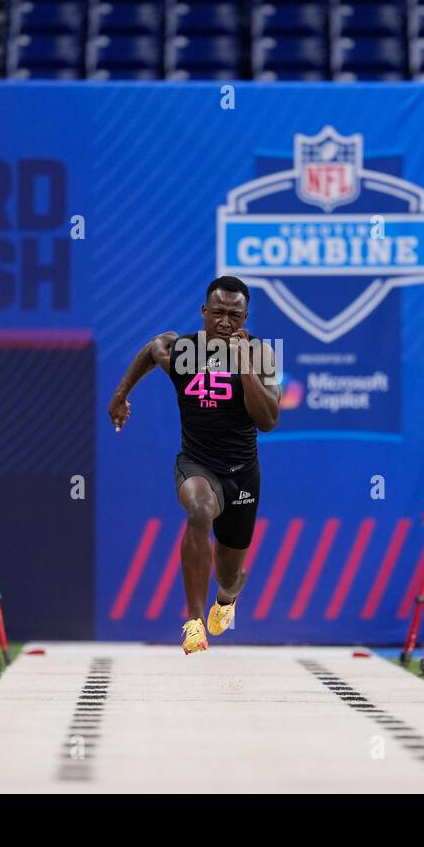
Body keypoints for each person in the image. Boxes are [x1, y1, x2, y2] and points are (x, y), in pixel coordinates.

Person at [108, 276, 280, 654]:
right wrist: (121, 395)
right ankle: (195, 623)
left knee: (230, 575)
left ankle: (227, 597)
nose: (224, 322)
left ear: (245, 318)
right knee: (199, 511)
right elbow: (154, 348)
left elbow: (268, 420)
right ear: (204, 311)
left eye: (234, 316)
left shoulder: (261, 354)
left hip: (242, 474)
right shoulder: (184, 351)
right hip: (197, 463)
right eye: (217, 313)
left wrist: (243, 365)